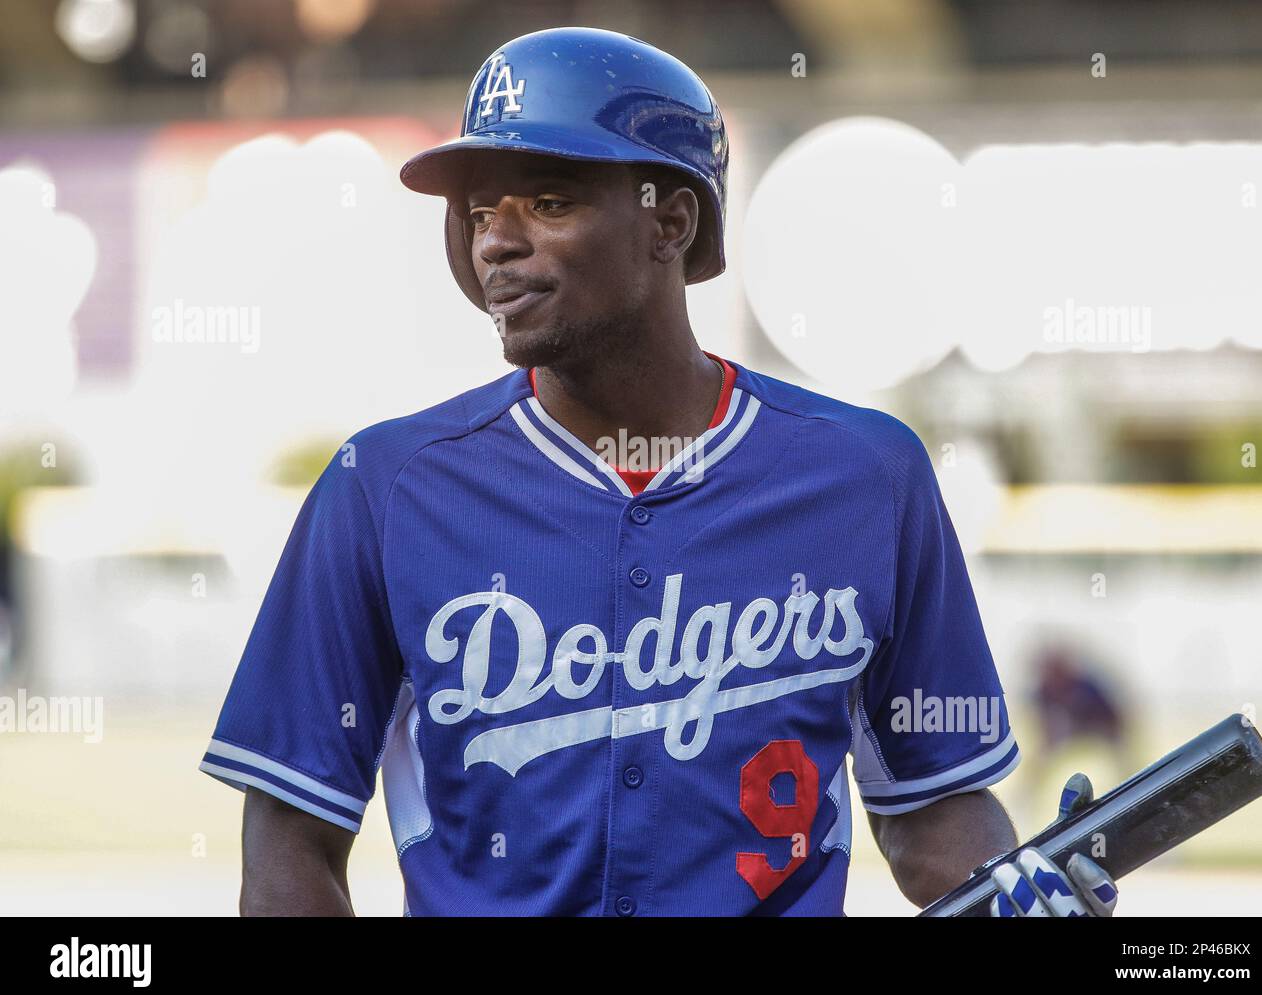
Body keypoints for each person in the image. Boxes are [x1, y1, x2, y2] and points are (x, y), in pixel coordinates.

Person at [201, 26, 1116, 918]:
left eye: (548, 202)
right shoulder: (383, 486)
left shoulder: (869, 477)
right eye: (482, 212)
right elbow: (289, 841)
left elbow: (933, 817)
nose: (495, 243)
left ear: (669, 221)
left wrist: (1025, 891)